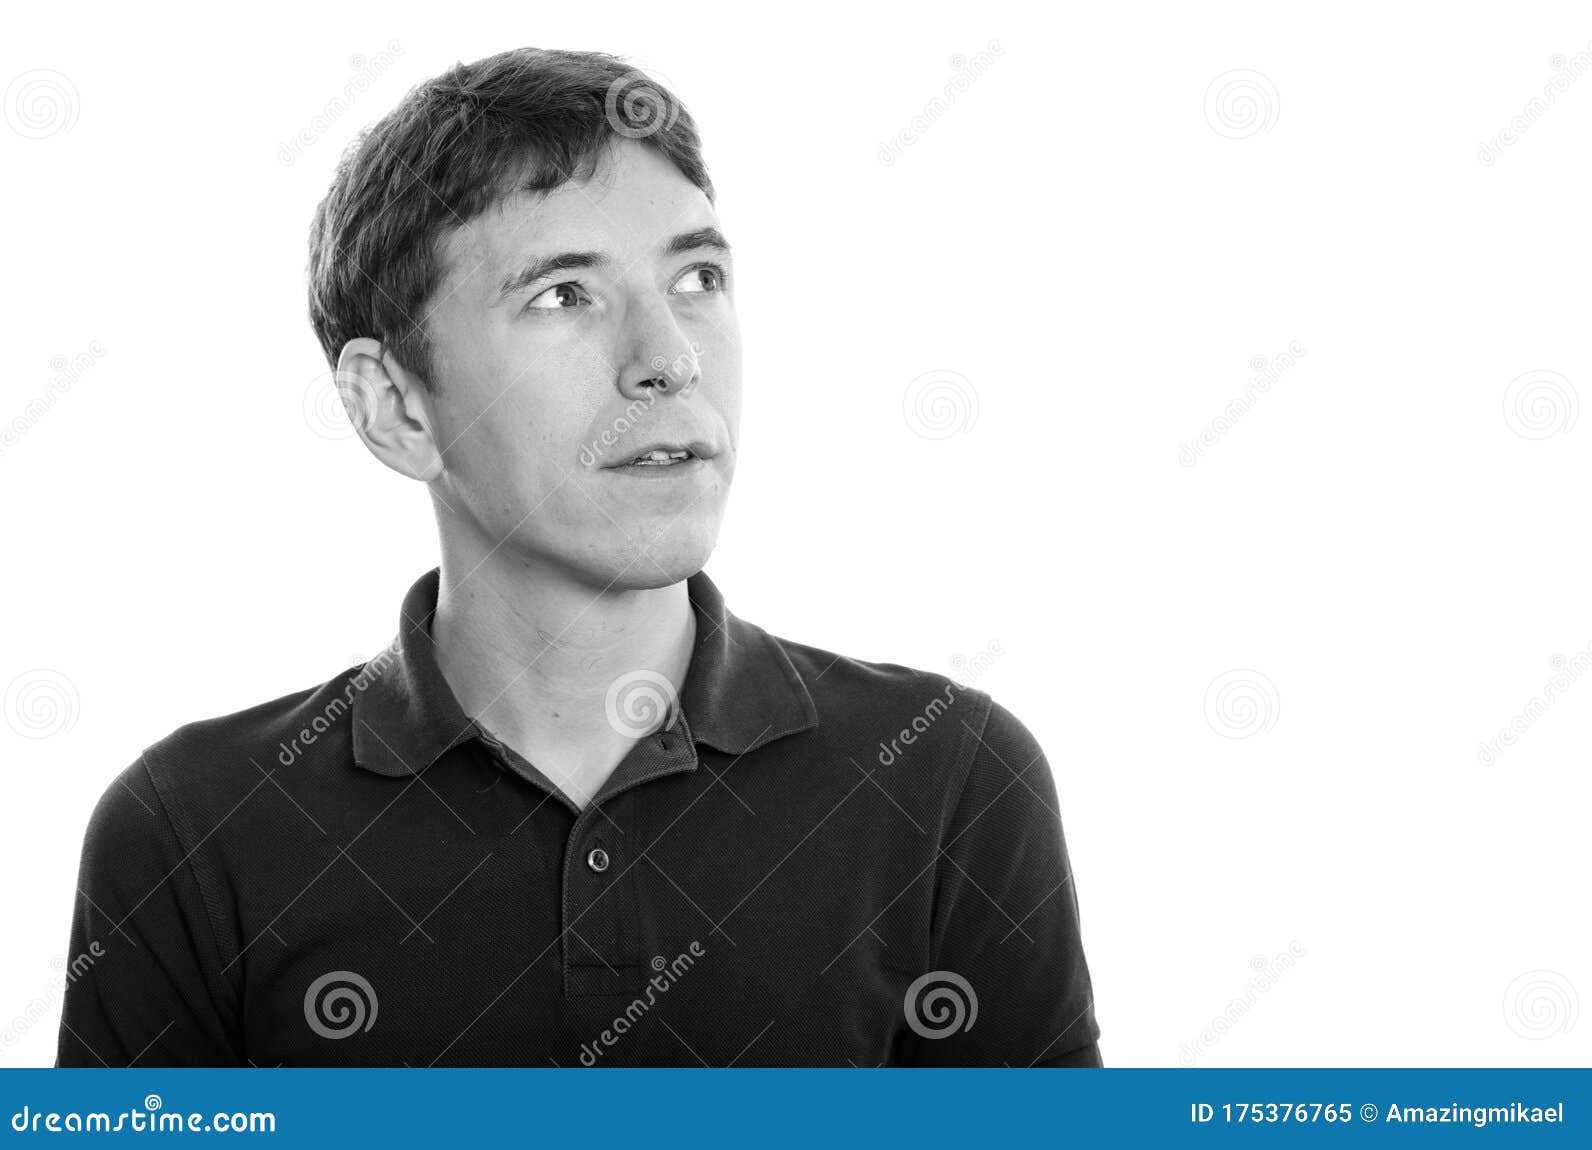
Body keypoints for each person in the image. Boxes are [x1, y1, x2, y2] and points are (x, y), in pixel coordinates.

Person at [57, 47, 1100, 1067]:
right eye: (563, 295)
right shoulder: (189, 832)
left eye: (696, 278)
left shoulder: (949, 779)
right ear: (394, 406)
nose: (669, 358)